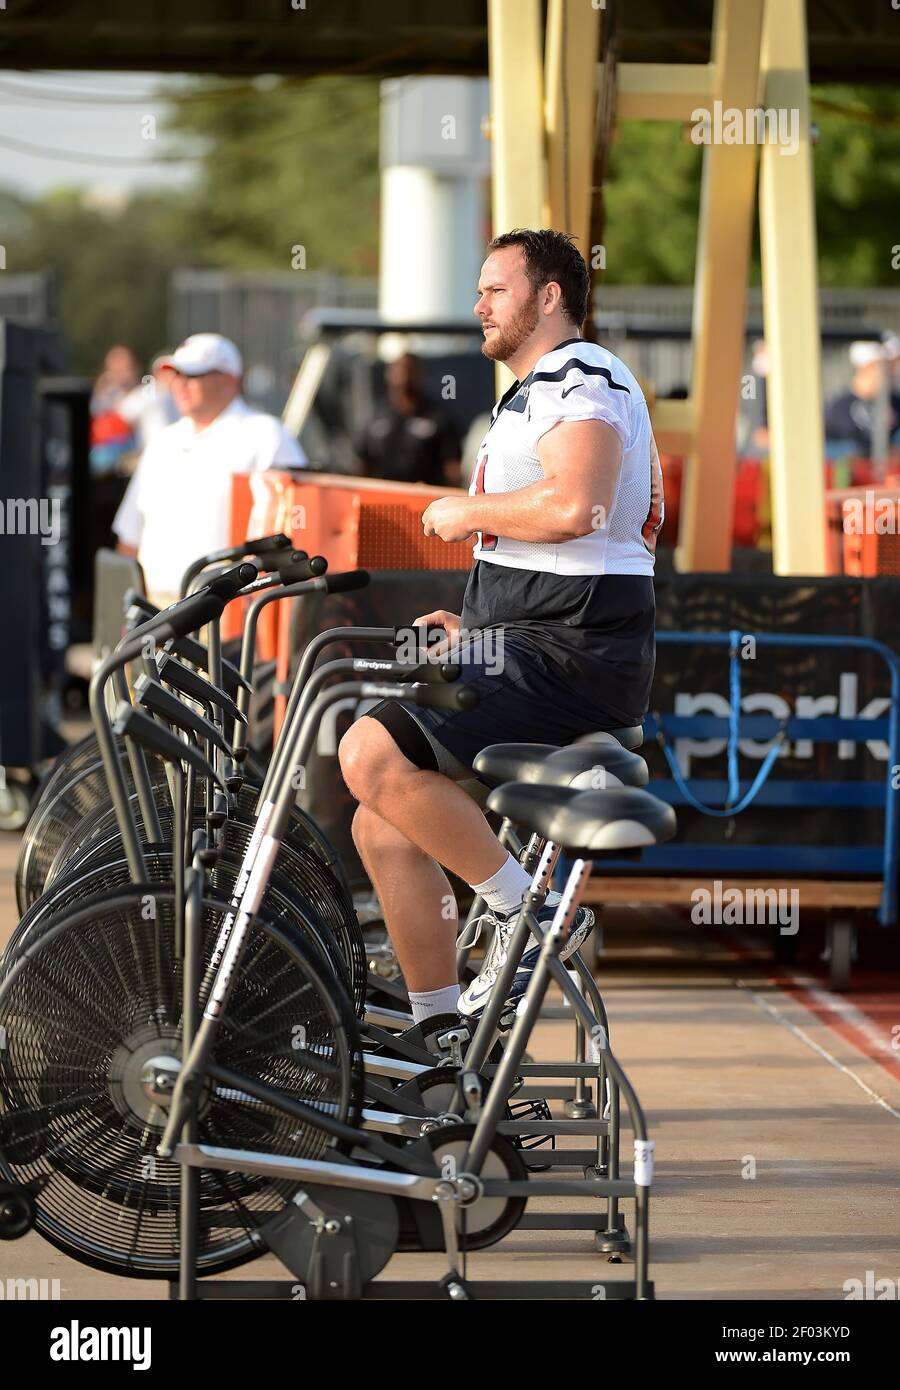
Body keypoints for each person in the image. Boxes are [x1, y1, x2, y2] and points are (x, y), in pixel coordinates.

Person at [338, 229, 663, 1025]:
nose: (477, 304)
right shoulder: (541, 387)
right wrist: (478, 618)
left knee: (367, 751)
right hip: (539, 633)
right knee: (380, 822)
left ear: (550, 296)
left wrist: (464, 512)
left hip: (575, 652)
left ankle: (533, 915)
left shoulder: (580, 374)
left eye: (496, 288)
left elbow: (573, 507)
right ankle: (438, 1028)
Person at [113, 333, 306, 608]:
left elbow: (295, 535)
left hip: (227, 614)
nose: (180, 384)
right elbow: (130, 537)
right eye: (176, 374)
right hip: (155, 613)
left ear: (229, 379)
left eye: (194, 374)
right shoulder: (162, 442)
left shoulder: (267, 436)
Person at [355, 352, 462, 486]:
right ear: (388, 374)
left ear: (422, 375)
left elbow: (452, 469)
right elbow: (363, 467)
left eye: (411, 369)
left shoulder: (438, 418)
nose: (405, 374)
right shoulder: (375, 419)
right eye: (399, 368)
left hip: (425, 500)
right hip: (382, 500)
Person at [824, 340, 900, 456]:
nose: (894, 371)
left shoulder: (896, 403)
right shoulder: (837, 409)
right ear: (869, 366)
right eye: (889, 365)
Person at [89, 344, 142, 475]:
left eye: (124, 367)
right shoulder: (102, 397)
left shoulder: (145, 397)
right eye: (114, 367)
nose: (119, 372)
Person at [116, 353, 181, 451]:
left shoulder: (183, 395)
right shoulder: (148, 393)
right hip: (153, 451)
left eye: (172, 371)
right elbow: (122, 413)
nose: (167, 374)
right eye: (163, 371)